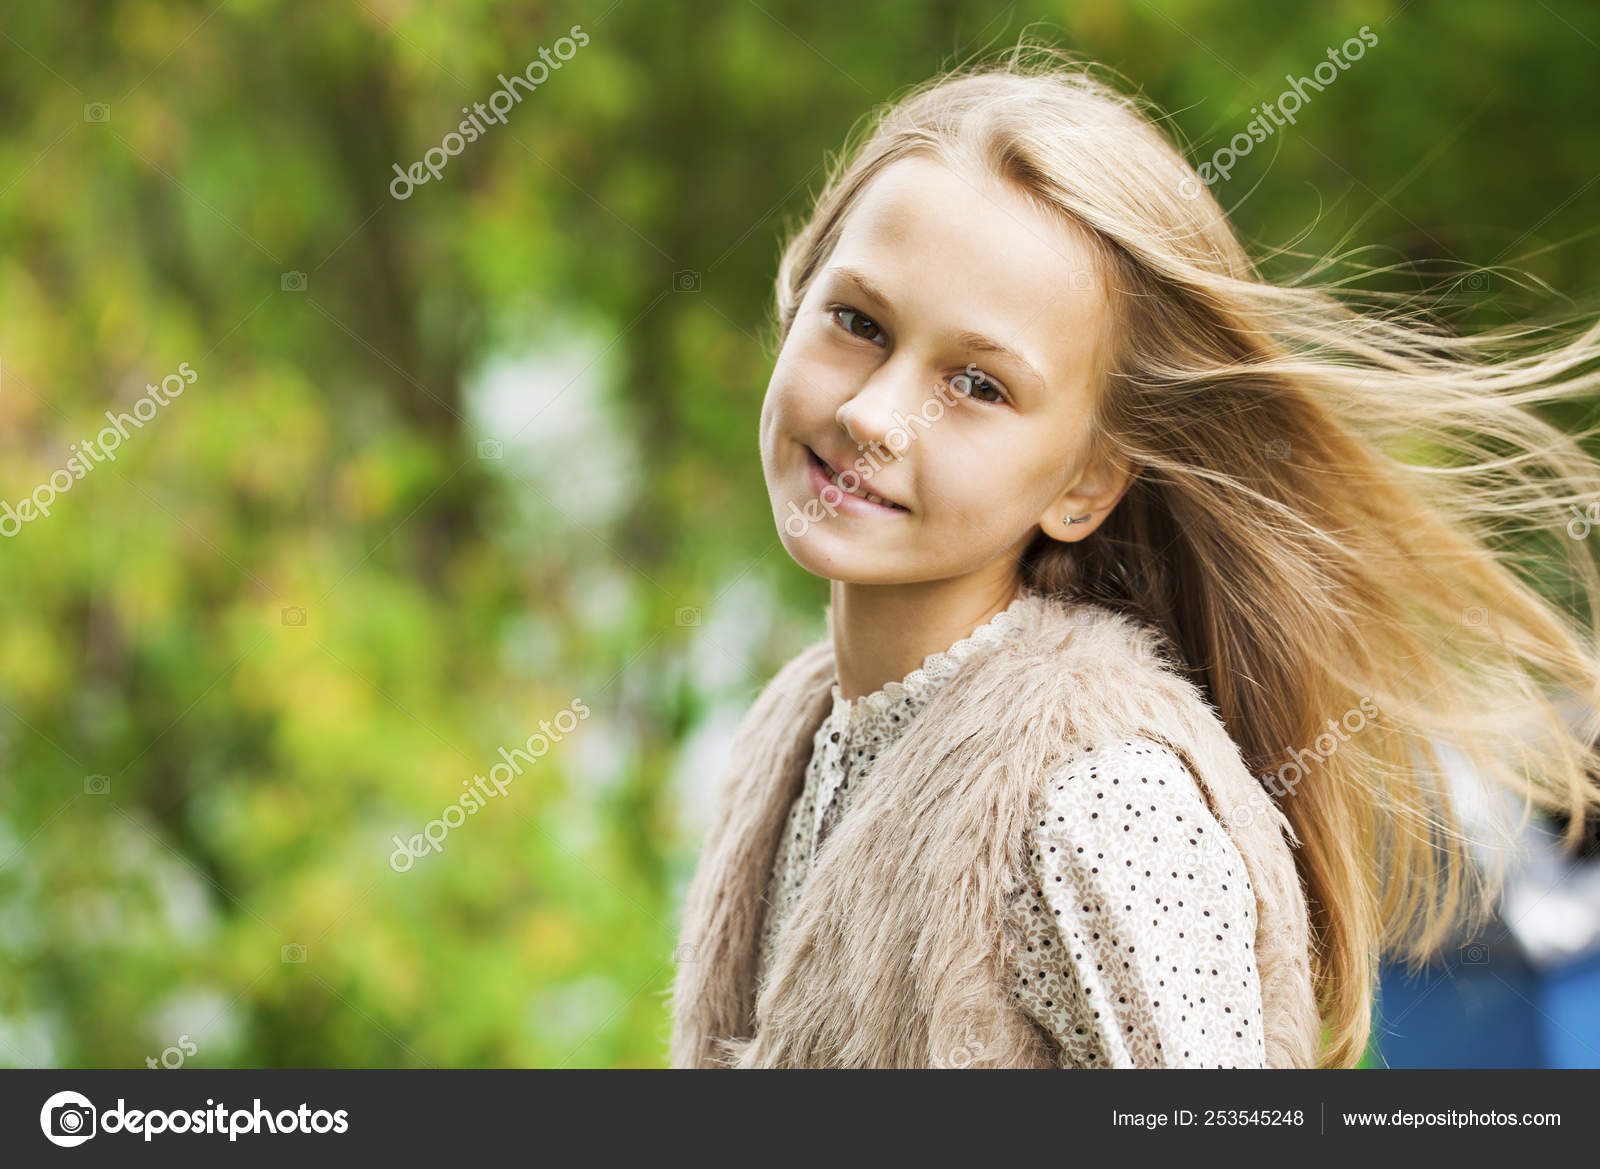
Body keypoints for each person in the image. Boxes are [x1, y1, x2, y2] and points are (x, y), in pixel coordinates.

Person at [669, 42, 1600, 1069]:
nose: (875, 414)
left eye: (979, 386)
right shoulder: (790, 731)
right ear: (794, 291)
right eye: (857, 322)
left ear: (1085, 483)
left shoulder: (1102, 794)